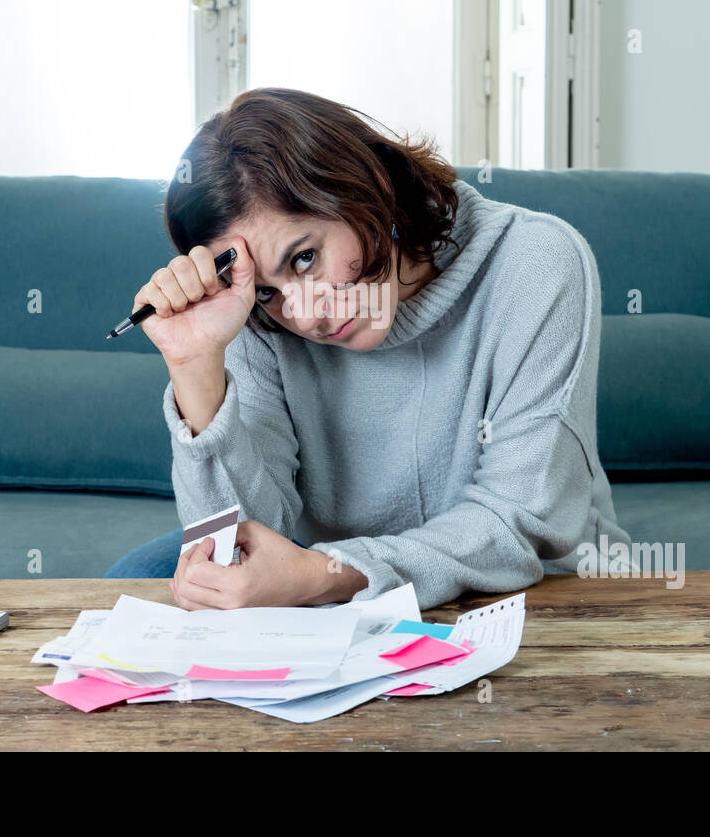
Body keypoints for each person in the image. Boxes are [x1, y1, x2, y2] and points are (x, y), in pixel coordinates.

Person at [103, 86, 630, 610]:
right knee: (128, 587)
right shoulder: (253, 315)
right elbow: (243, 549)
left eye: (305, 258)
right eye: (268, 291)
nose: (305, 314)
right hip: (331, 595)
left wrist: (330, 573)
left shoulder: (535, 263)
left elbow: (518, 522)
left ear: (367, 188)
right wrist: (195, 365)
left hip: (528, 590)